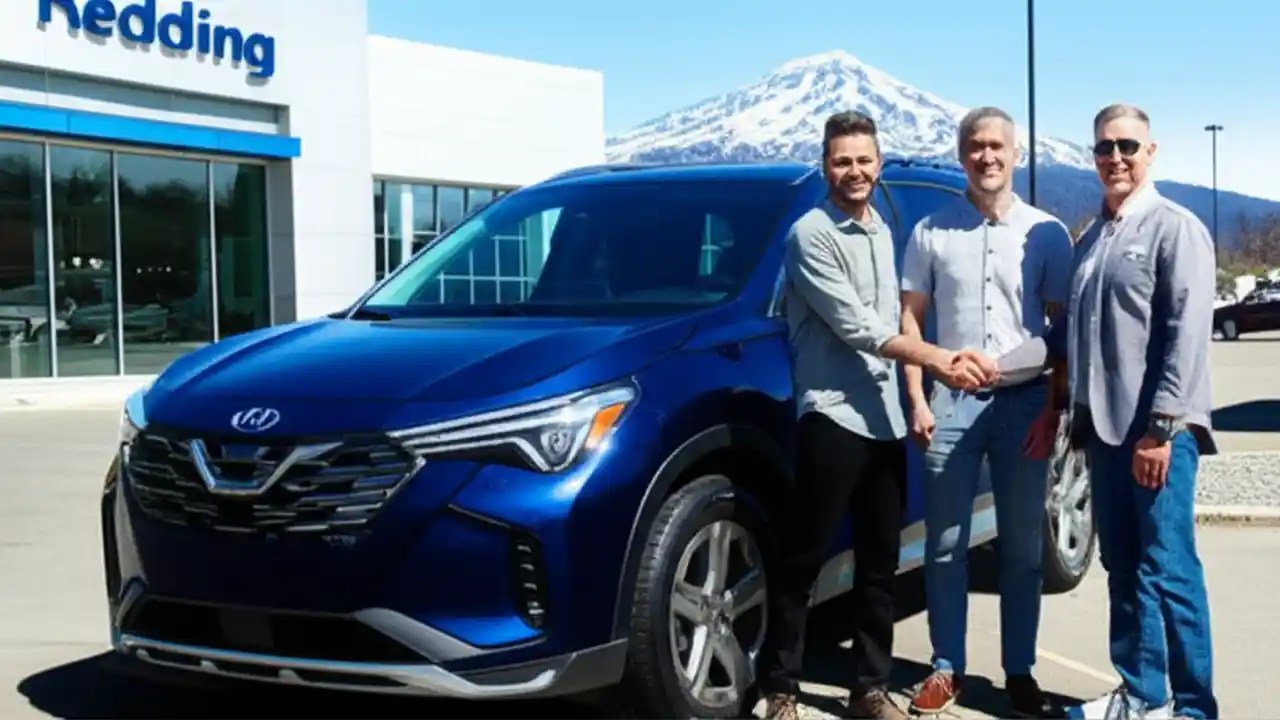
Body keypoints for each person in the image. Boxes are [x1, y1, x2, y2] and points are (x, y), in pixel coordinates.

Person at [759, 110, 997, 720]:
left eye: (864, 160)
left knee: (878, 563)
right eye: (842, 161)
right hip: (834, 417)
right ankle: (780, 686)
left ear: (879, 165)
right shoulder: (809, 235)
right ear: (825, 165)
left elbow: (896, 318)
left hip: (887, 419)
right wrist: (940, 360)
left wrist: (915, 397)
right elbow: (860, 328)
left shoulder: (882, 228)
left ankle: (869, 687)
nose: (855, 171)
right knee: (803, 560)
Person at [1010, 103, 1220, 719]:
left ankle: (1193, 707)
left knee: (1171, 570)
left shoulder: (1175, 229)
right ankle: (1141, 693)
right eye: (1104, 148)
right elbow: (1066, 335)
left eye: (1128, 145)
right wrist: (991, 366)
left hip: (1157, 435)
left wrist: (1160, 430)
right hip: (1100, 433)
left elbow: (1186, 337)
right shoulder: (1092, 238)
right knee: (1122, 567)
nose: (1116, 158)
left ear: (1150, 152)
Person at [897, 106, 1074, 718]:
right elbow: (910, 322)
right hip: (950, 404)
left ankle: (1020, 669)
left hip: (1024, 405)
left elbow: (1063, 331)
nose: (987, 156)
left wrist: (1052, 408)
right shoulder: (930, 232)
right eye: (975, 146)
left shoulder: (1048, 233)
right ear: (961, 154)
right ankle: (947, 667)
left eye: (998, 146)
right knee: (944, 547)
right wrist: (917, 397)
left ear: (1016, 154)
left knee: (1023, 548)